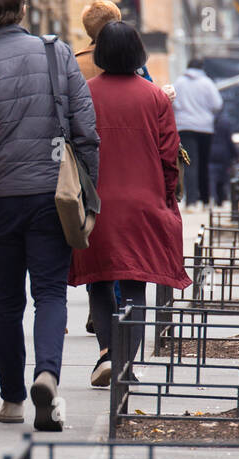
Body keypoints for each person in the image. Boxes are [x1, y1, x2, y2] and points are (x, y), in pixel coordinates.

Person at [0, 0, 98, 431]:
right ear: (26, 8)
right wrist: (89, 192)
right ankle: (48, 375)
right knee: (50, 292)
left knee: (6, 299)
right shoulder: (58, 54)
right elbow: (84, 129)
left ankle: (13, 399)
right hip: (52, 193)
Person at [68, 22, 190, 386]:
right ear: (138, 52)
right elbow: (170, 154)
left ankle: (106, 353)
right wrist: (168, 197)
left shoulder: (85, 93)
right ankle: (124, 363)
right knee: (136, 284)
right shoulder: (154, 97)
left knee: (100, 282)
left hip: (96, 203)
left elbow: (73, 146)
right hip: (143, 203)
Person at [173, 56, 223, 208]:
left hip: (185, 127)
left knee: (189, 164)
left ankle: (191, 201)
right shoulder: (207, 83)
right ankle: (206, 200)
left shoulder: (179, 83)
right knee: (204, 163)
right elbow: (217, 104)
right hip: (205, 128)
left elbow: (172, 102)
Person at [208, 106, 237, 206]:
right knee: (222, 177)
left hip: (210, 153)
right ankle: (220, 199)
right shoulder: (226, 123)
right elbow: (229, 141)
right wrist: (235, 154)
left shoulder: (208, 123)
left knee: (212, 177)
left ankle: (213, 197)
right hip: (224, 154)